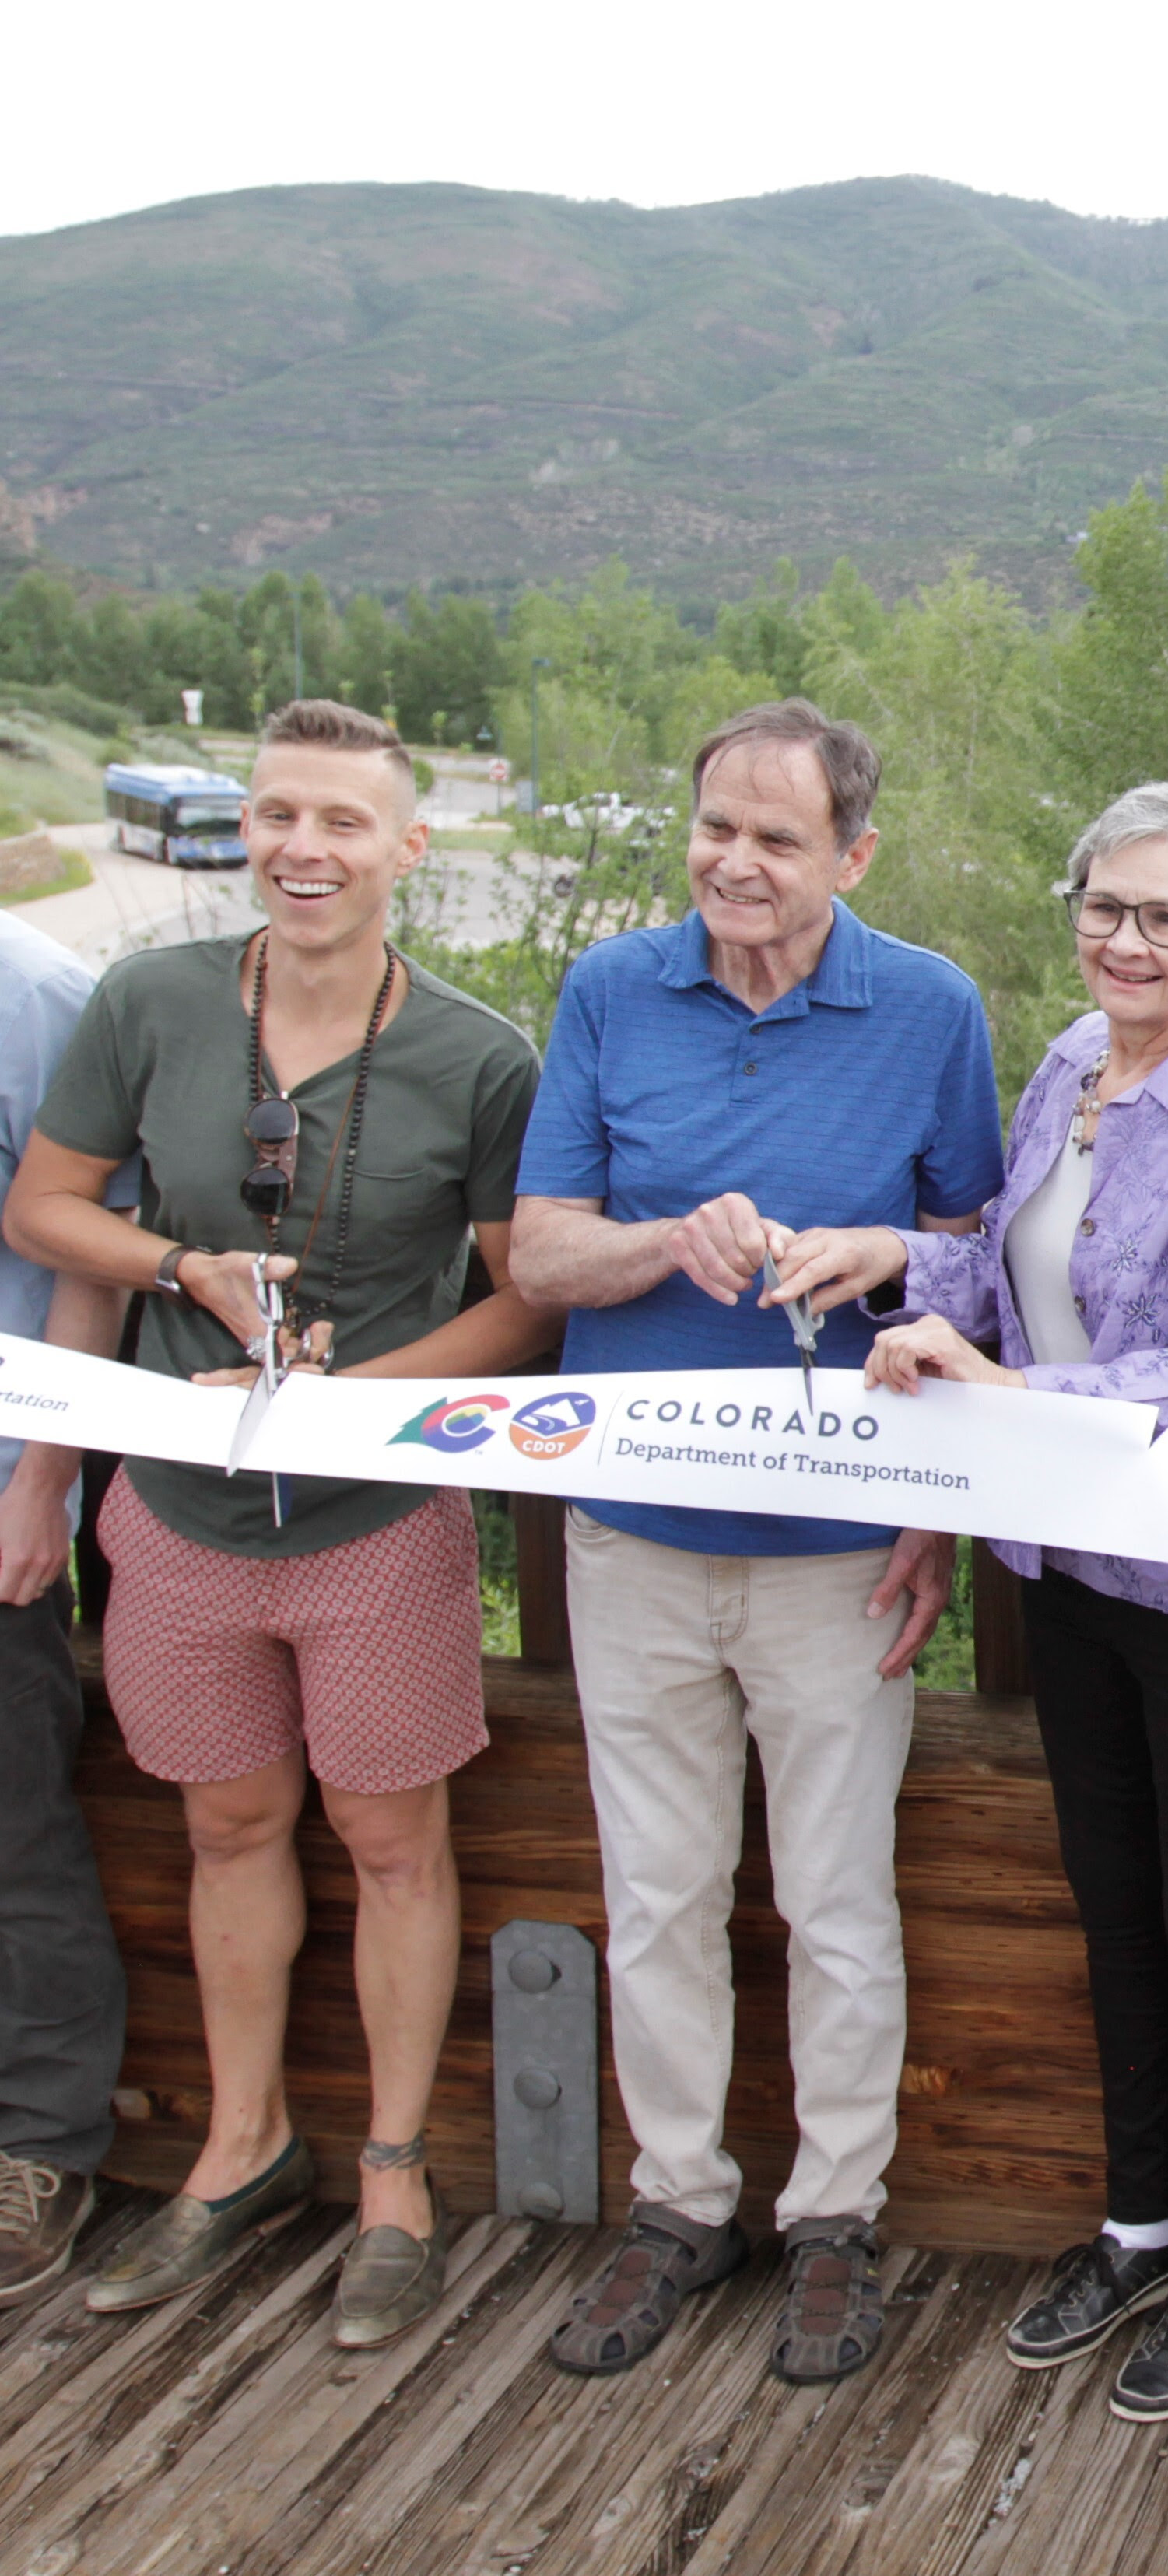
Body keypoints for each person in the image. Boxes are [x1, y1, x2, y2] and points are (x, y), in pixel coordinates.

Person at [770, 769, 1168, 2424]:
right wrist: (899, 1264)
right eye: (1107, 906)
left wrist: (1015, 1400)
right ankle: (1140, 2222)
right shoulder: (1074, 1063)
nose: (1130, 940)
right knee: (1114, 1908)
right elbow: (1021, 1281)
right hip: (1073, 1571)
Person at [4, 698, 553, 2347]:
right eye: (275, 816)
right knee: (227, 1831)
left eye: (341, 821)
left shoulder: (481, 1057)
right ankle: (240, 2150)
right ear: (244, 828)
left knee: (393, 1843)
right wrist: (179, 1268)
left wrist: (356, 1399)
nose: (303, 849)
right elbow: (46, 1206)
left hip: (377, 1519)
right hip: (177, 1514)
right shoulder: (150, 1002)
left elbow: (526, 1300)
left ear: (407, 847)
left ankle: (395, 2179)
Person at [508, 699, 1005, 2387]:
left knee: (837, 1903)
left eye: (777, 838)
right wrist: (664, 1244)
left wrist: (931, 1505)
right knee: (654, 1897)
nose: (734, 861)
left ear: (853, 856)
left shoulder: (931, 1005)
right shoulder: (609, 989)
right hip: (631, 1534)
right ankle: (679, 2205)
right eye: (715, 825)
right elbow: (540, 1256)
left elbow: (968, 1262)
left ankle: (836, 2215)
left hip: (836, 1546)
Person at [0, 913, 135, 2309]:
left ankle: (41, 2144)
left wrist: (43, 1478)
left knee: (14, 1839)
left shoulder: (32, 993)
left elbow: (89, 1245)